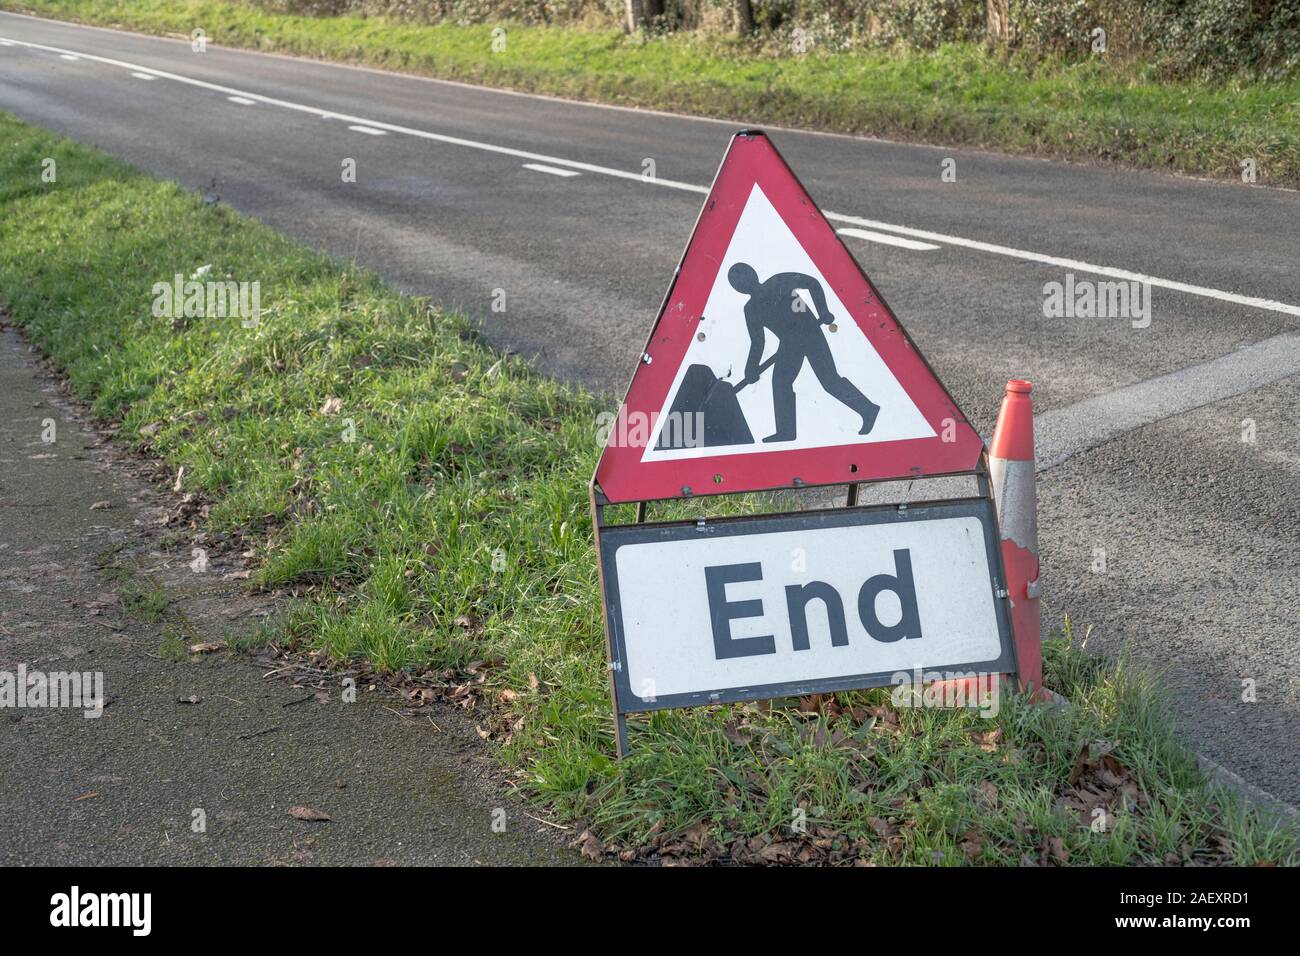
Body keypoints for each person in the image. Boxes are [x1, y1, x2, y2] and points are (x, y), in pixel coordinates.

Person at [728, 262, 880, 443]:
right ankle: (786, 432)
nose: (744, 284)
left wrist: (823, 310)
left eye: (744, 278)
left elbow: (812, 283)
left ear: (753, 275)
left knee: (829, 381)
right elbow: (758, 342)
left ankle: (868, 409)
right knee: (780, 383)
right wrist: (751, 368)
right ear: (738, 289)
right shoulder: (751, 309)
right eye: (738, 283)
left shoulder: (779, 282)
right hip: (789, 343)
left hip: (810, 332)